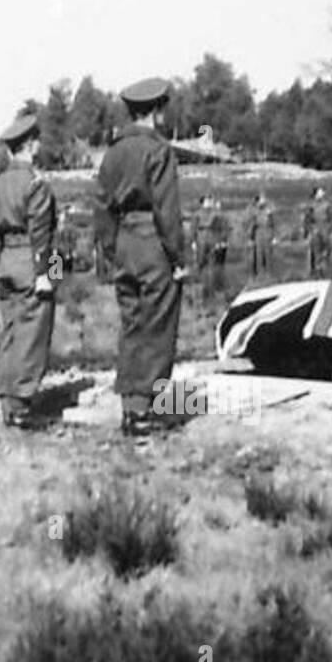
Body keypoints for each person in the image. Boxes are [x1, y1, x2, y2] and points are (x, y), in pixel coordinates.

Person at [93, 77, 186, 438]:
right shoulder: (158, 150)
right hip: (153, 243)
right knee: (157, 326)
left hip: (124, 243)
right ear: (157, 111)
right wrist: (177, 257)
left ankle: (130, 406)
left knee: (132, 325)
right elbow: (167, 210)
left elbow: (101, 207)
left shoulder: (113, 153)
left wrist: (113, 248)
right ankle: (146, 407)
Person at [0, 114, 59, 429]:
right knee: (32, 333)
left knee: (12, 332)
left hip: (6, 263)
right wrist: (44, 271)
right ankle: (21, 405)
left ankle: (6, 398)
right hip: (29, 260)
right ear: (30, 145)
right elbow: (40, 231)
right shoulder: (34, 183)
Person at [302, 186, 331, 277]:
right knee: (315, 250)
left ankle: (324, 267)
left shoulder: (326, 204)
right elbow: (307, 219)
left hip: (324, 229)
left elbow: (331, 217)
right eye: (321, 192)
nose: (323, 193)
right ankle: (316, 269)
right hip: (315, 229)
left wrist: (329, 228)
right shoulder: (311, 205)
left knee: (327, 249)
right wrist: (307, 231)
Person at [246, 194, 275, 276]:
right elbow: (252, 226)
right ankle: (258, 274)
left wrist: (273, 236)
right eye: (260, 201)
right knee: (259, 256)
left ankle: (268, 274)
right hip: (259, 235)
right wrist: (251, 238)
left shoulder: (268, 212)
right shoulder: (255, 213)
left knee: (268, 255)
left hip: (267, 235)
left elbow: (272, 224)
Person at [208, 196, 229, 294]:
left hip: (222, 244)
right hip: (217, 244)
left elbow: (226, 230)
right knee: (216, 265)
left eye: (220, 206)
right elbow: (213, 231)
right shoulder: (215, 219)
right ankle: (216, 285)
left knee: (221, 265)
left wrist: (224, 242)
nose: (219, 208)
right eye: (217, 206)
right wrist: (217, 243)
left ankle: (220, 284)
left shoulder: (224, 218)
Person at [192, 195, 214, 279]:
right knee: (200, 259)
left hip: (212, 235)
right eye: (207, 201)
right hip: (201, 236)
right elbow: (193, 227)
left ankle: (211, 279)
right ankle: (198, 278)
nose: (209, 202)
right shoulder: (197, 213)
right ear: (203, 202)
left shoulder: (214, 213)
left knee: (212, 260)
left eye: (210, 200)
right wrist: (193, 241)